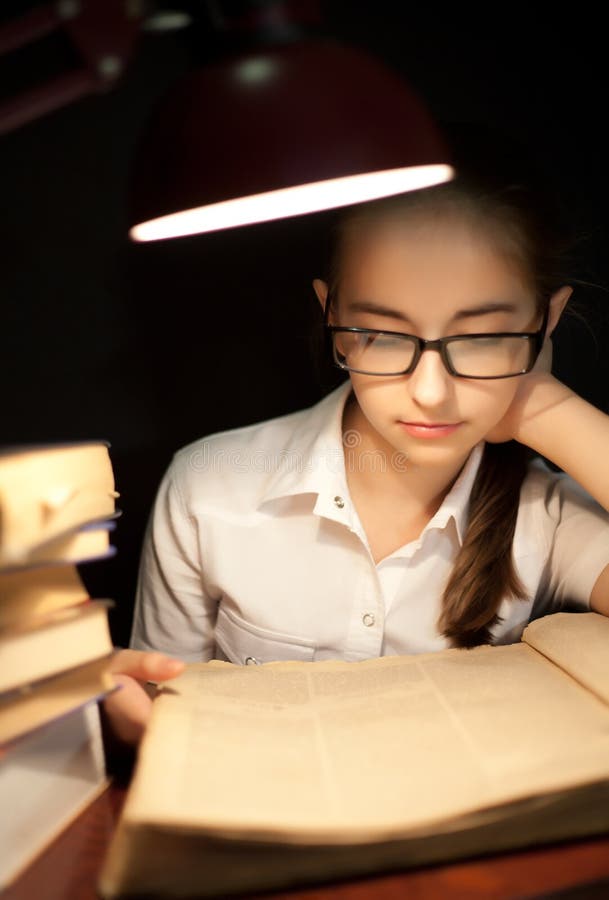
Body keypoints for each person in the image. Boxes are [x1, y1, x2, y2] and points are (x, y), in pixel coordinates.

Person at [104, 125, 609, 748]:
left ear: (546, 321)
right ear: (334, 319)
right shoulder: (210, 488)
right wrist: (132, 725)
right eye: (384, 336)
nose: (431, 391)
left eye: (482, 337)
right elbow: (162, 715)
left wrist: (546, 408)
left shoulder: (547, 517)